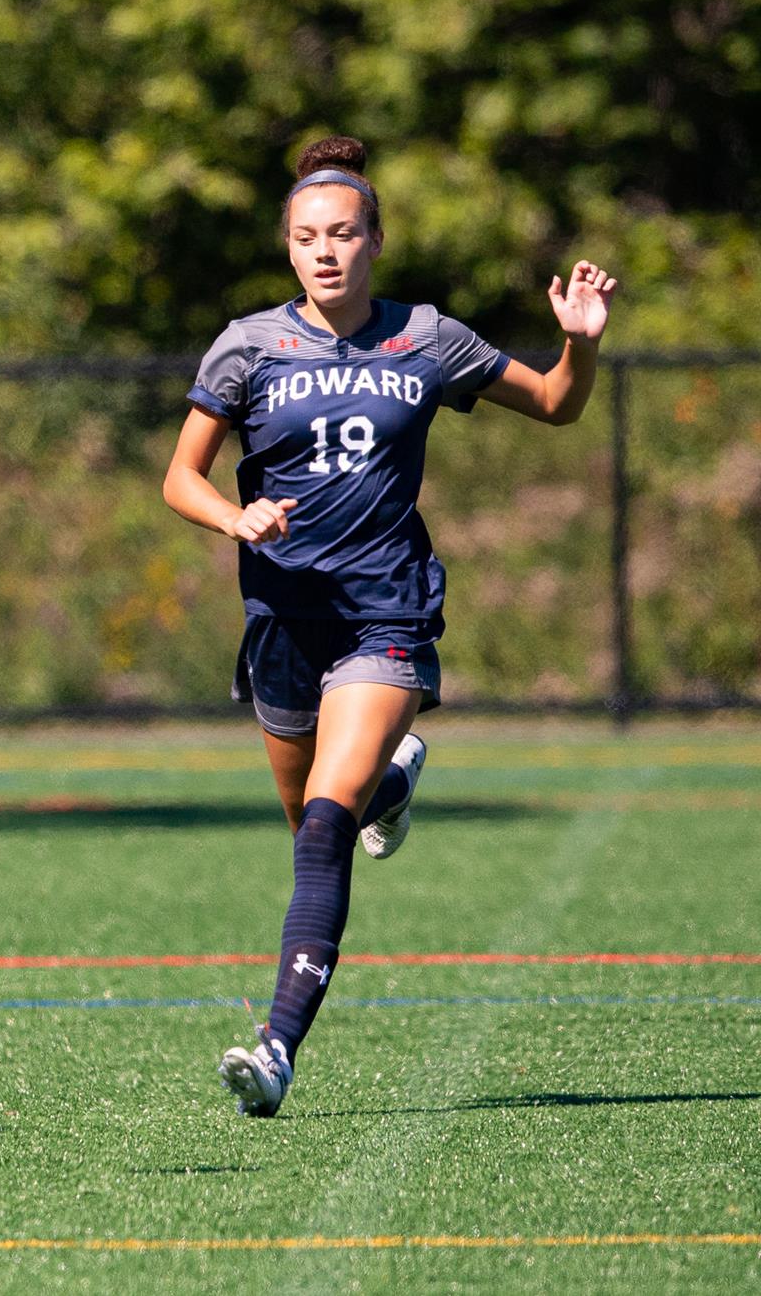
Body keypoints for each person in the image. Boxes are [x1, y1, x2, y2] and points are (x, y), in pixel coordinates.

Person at [162, 135, 617, 1117]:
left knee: (322, 824)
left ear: (374, 240)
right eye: (303, 237)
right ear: (287, 249)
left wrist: (576, 342)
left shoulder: (424, 337)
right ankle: (390, 785)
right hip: (283, 618)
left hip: (385, 611)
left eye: (340, 233)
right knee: (308, 824)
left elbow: (550, 404)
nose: (322, 251)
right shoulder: (246, 346)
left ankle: (275, 1047)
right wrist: (231, 515)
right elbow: (176, 476)